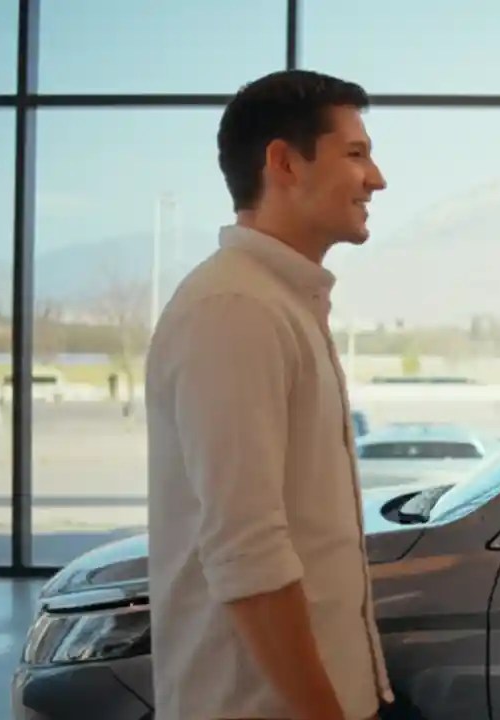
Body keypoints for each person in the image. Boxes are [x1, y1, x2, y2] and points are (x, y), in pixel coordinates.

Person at [145, 69, 390, 720]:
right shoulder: (235, 309)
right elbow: (246, 552)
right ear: (284, 162)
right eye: (357, 154)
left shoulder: (280, 300)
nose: (377, 179)